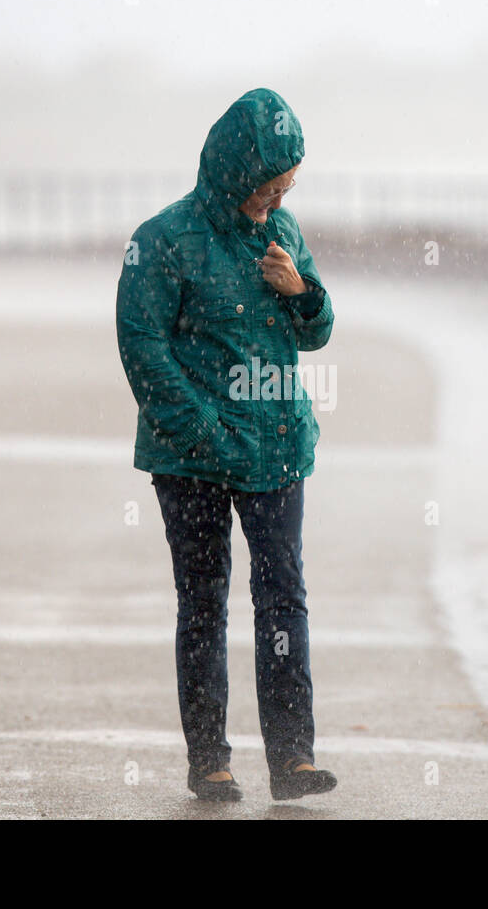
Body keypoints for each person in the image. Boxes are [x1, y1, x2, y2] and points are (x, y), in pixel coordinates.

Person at [116, 88, 337, 802]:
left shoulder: (284, 232)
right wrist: (203, 430)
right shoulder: (163, 241)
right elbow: (142, 346)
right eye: (267, 187)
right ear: (233, 176)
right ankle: (209, 760)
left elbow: (315, 332)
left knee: (283, 599)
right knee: (203, 603)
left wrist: (300, 289)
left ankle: (294, 759)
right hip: (193, 462)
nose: (275, 200)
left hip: (276, 448)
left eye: (287, 187)